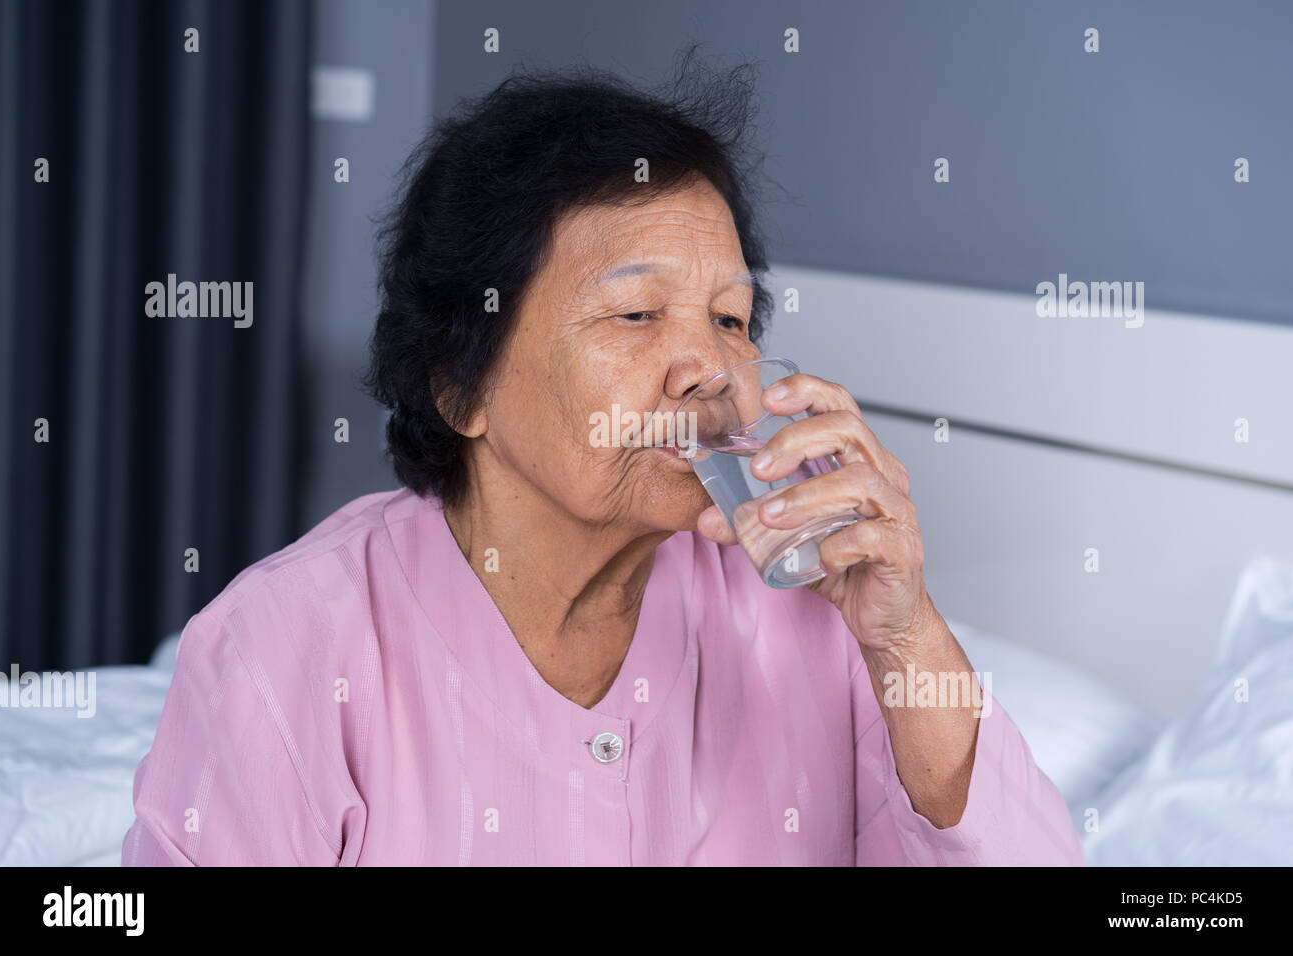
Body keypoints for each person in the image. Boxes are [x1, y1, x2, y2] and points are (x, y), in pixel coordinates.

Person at [121, 54, 1083, 866]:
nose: (708, 367)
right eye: (633, 314)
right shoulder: (281, 656)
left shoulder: (812, 616)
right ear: (462, 382)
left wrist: (905, 633)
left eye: (731, 321)